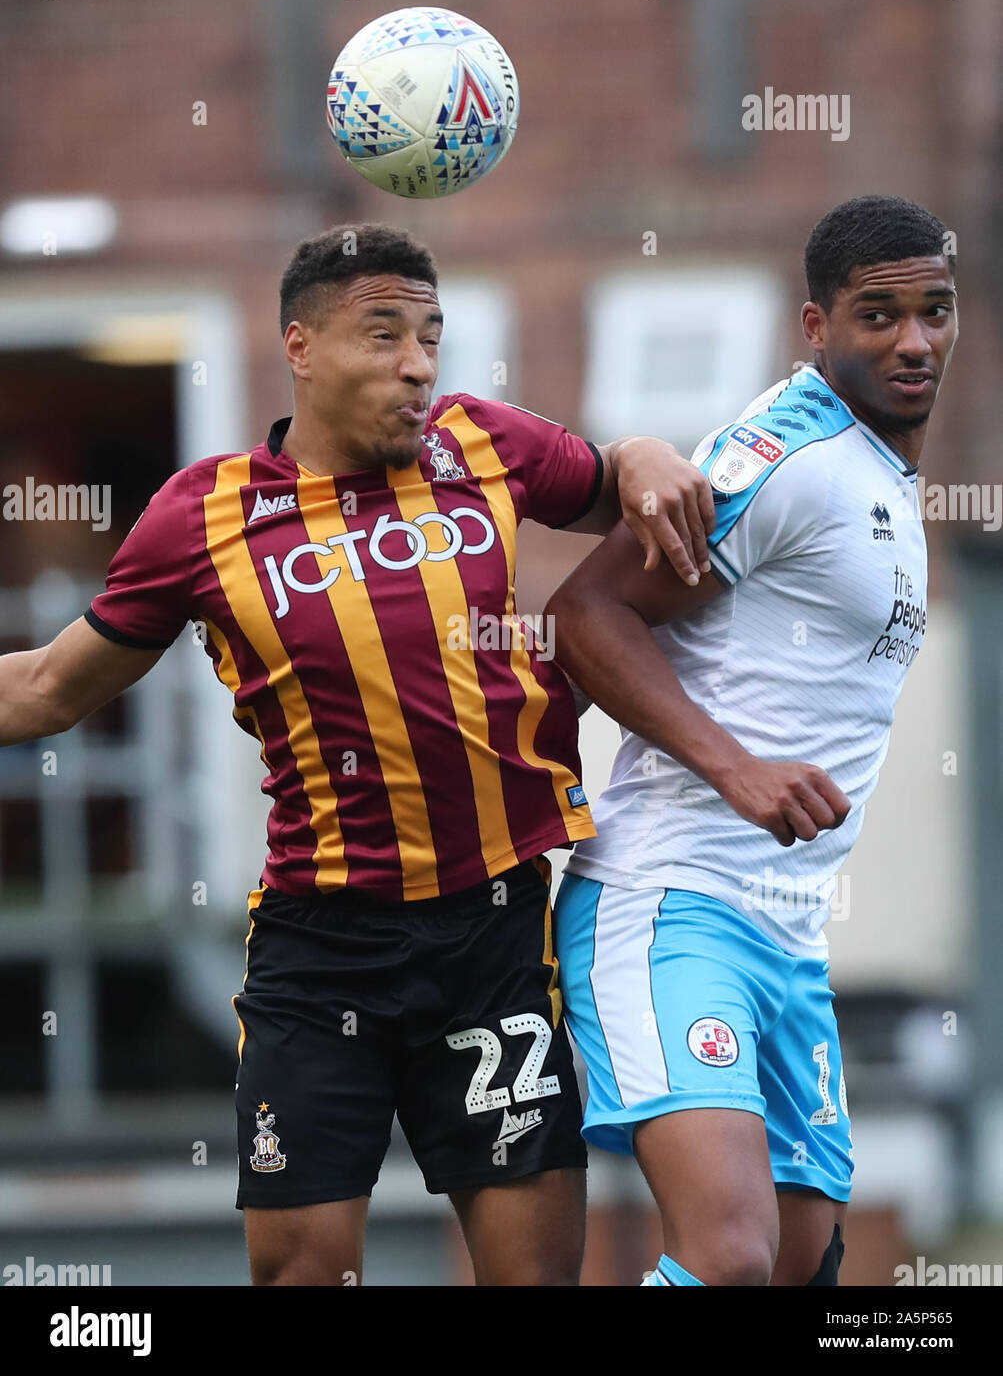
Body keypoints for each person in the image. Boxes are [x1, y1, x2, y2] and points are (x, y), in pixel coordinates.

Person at [0, 222, 714, 1286]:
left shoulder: (482, 443)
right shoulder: (204, 514)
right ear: (299, 345)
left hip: (494, 937)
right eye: (384, 335)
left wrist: (649, 450)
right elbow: (50, 687)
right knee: (302, 1272)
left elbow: (616, 481)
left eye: (430, 335)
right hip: (317, 945)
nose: (418, 363)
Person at [548, 195, 958, 1286]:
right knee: (727, 1260)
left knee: (801, 1270)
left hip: (786, 935)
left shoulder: (881, 475)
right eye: (878, 316)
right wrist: (735, 770)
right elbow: (589, 612)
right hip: (671, 899)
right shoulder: (786, 452)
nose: (913, 340)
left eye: (933, 311)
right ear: (816, 328)